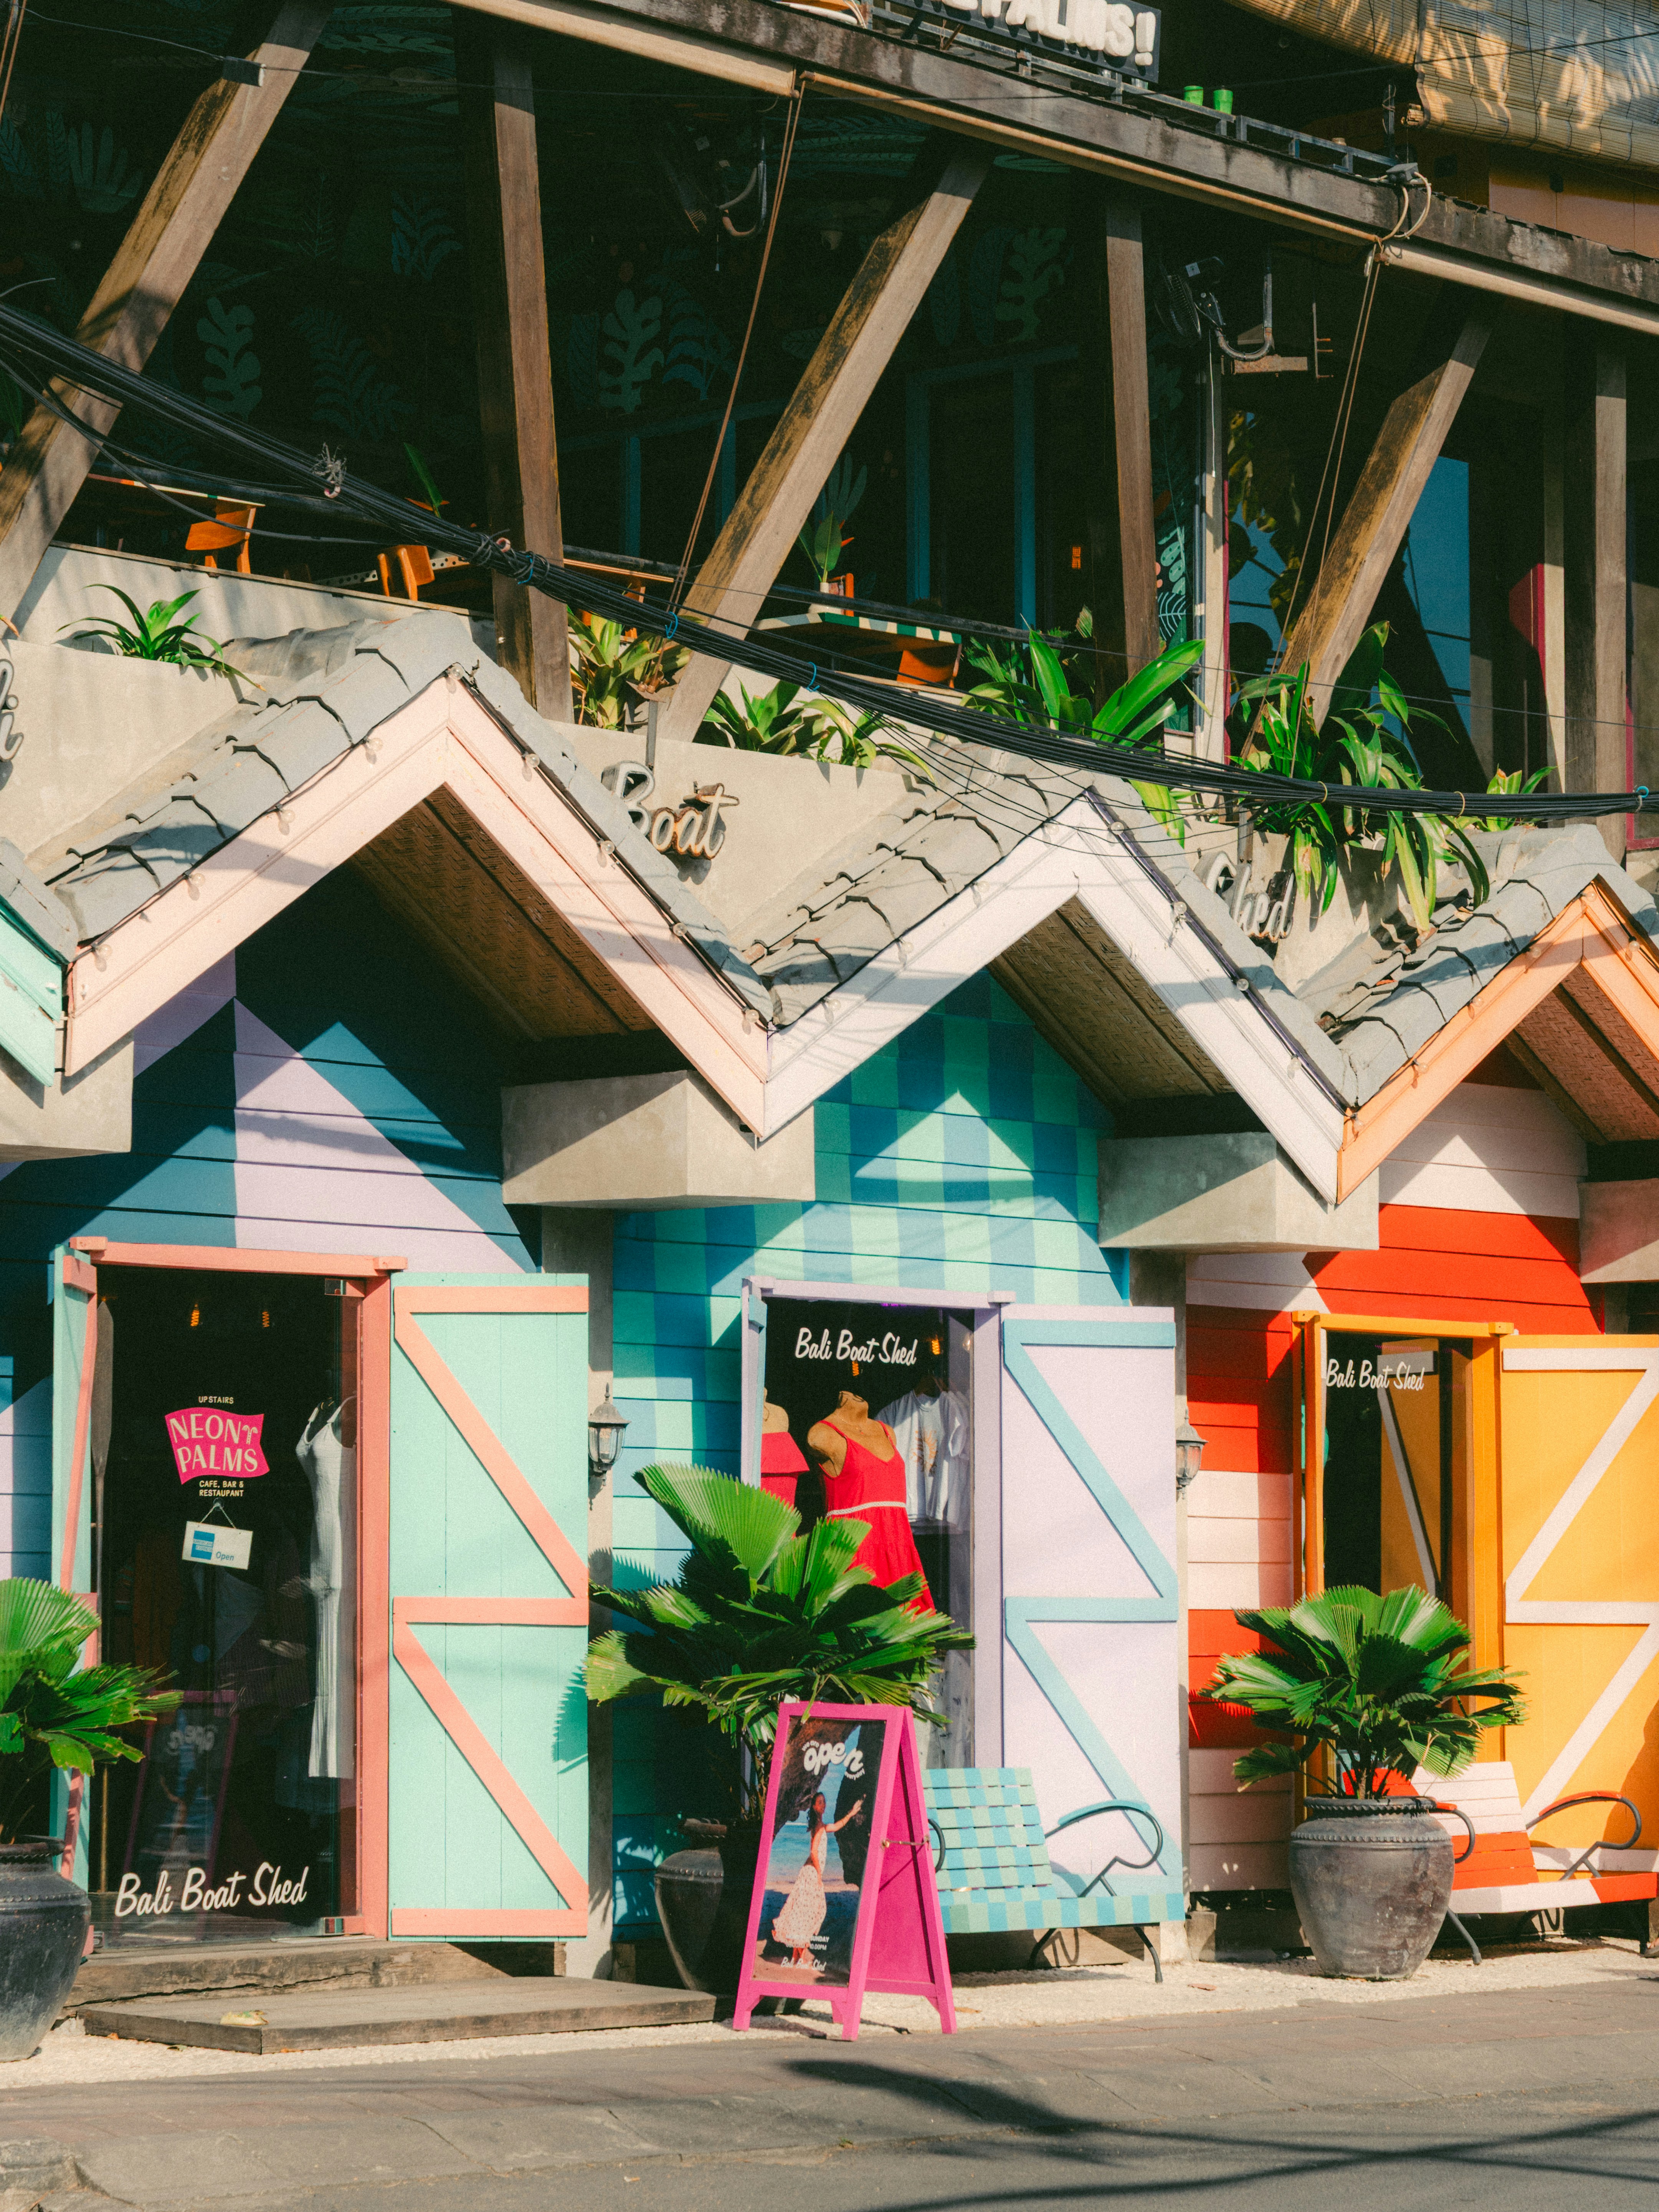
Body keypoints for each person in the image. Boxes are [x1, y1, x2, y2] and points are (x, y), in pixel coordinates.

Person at [807, 1389, 933, 1610]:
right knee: (858, 1624)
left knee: (904, 1628)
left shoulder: (887, 1432)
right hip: (855, 1549)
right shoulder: (823, 1434)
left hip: (897, 1546)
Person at [771, 1789, 863, 1968]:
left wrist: (852, 1813)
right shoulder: (819, 1827)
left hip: (808, 1873)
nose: (823, 1805)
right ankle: (801, 1956)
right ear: (814, 1807)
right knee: (811, 1913)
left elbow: (837, 1826)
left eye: (824, 1802)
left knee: (804, 1912)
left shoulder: (820, 1826)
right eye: (820, 1803)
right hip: (812, 1874)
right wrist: (820, 1874)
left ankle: (797, 1957)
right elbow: (814, 1852)